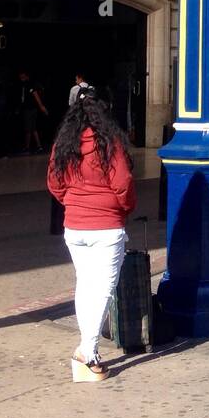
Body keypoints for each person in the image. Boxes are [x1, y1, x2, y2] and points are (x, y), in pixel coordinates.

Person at [47, 92, 136, 382]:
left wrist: (73, 202)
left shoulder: (64, 145)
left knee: (85, 285)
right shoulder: (110, 143)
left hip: (75, 227)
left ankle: (86, 349)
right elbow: (123, 183)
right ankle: (88, 352)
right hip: (107, 226)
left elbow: (54, 183)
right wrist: (123, 208)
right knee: (103, 290)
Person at [18, 70, 48, 153]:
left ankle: (29, 147)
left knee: (29, 129)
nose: (21, 78)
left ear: (26, 76)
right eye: (20, 77)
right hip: (28, 109)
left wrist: (41, 106)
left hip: (30, 109)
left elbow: (35, 95)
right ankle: (38, 146)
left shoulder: (29, 84)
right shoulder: (24, 85)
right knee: (32, 128)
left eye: (23, 76)